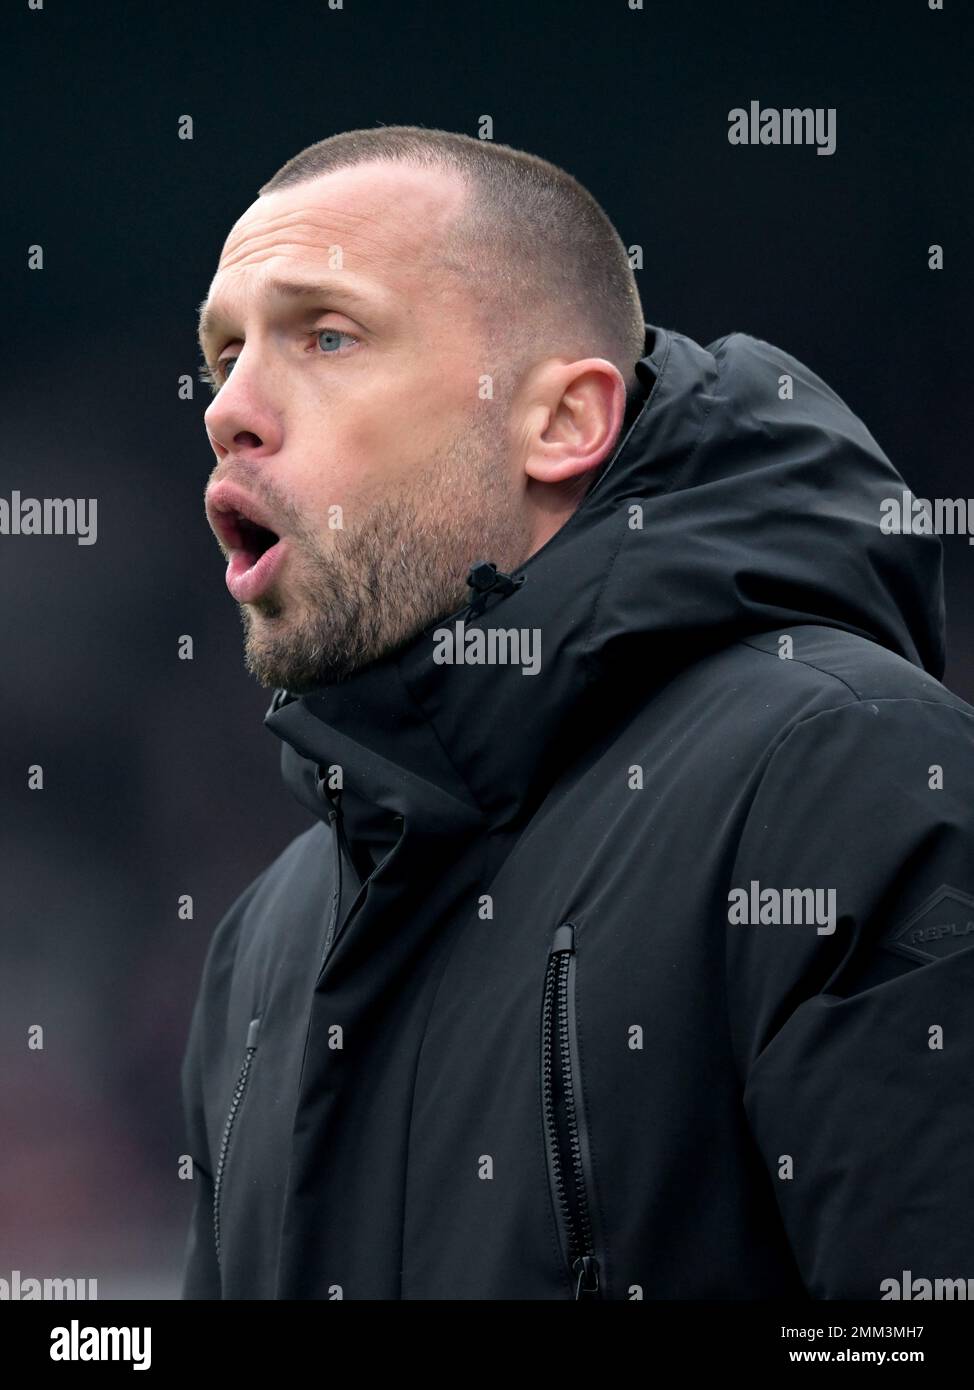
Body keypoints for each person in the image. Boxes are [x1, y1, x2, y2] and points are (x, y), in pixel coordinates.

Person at [181, 125, 974, 1300]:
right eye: (223, 356)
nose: (228, 410)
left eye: (327, 335)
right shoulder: (267, 933)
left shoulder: (843, 772)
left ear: (559, 422)